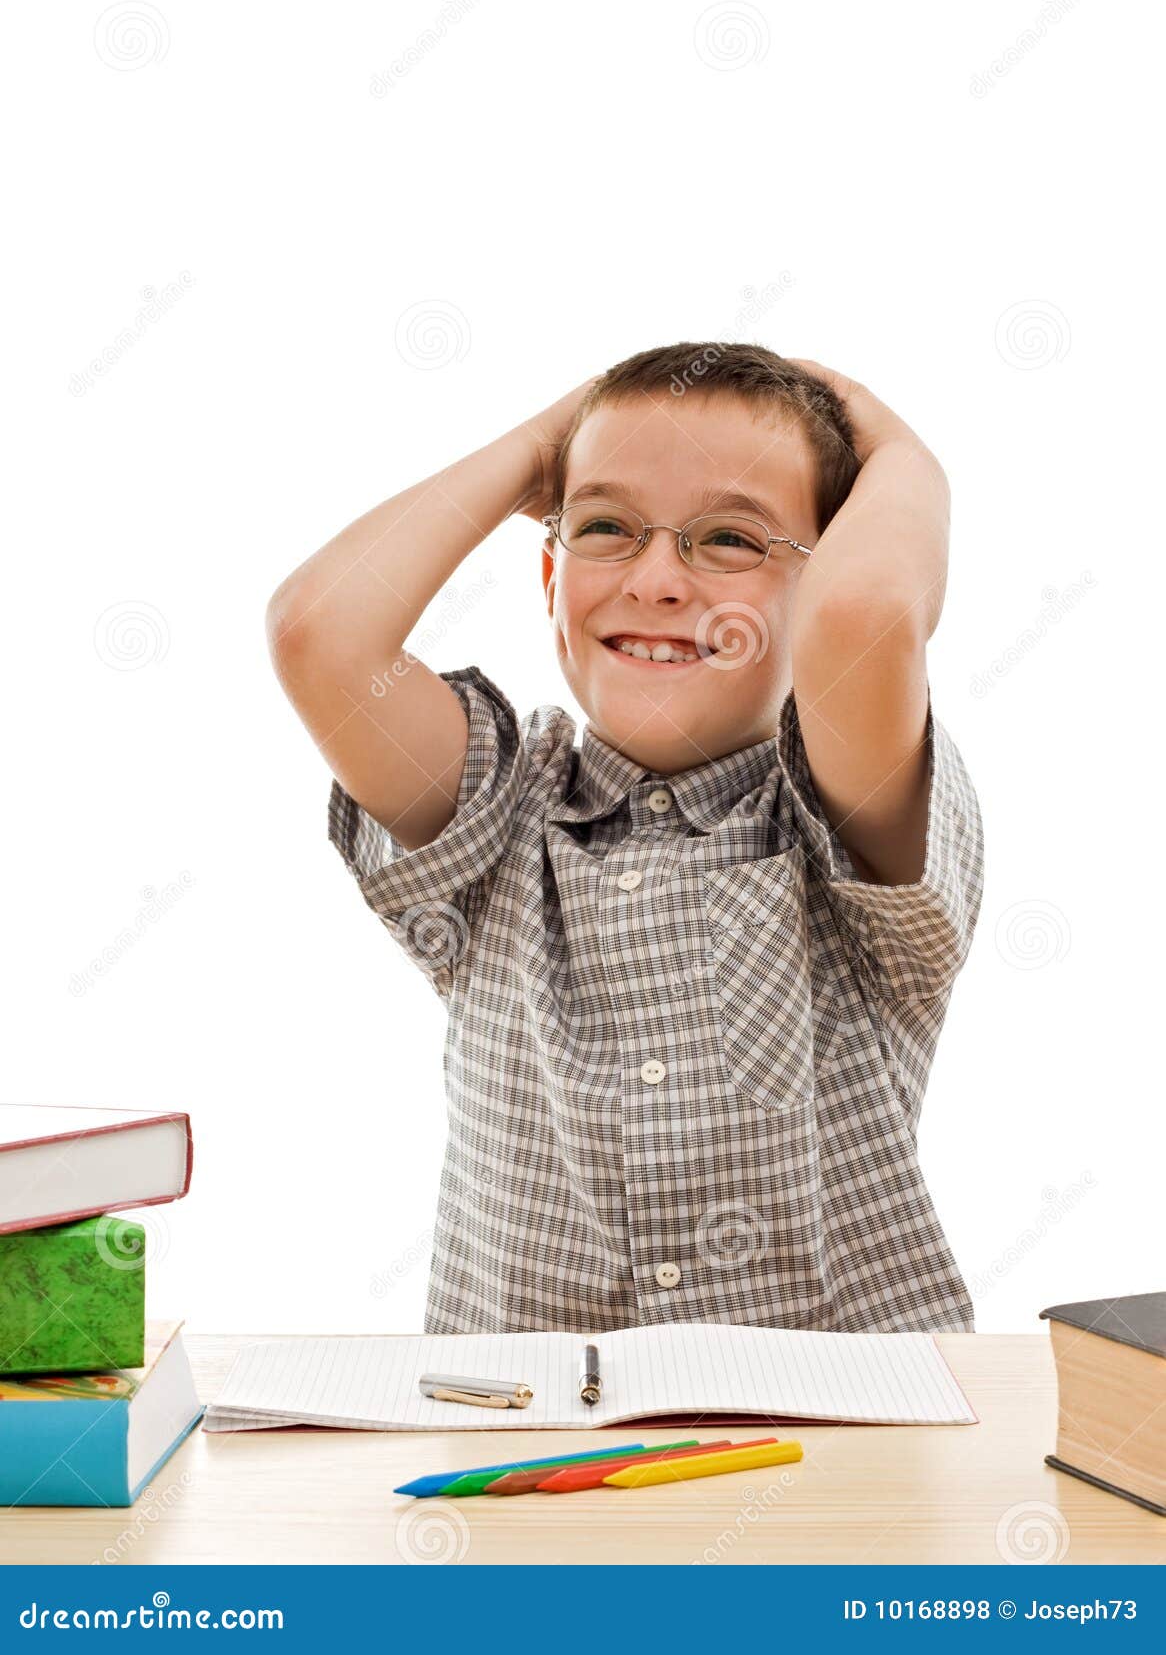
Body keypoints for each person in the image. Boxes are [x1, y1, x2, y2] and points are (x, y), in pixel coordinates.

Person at [266, 342, 984, 1335]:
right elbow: (320, 631)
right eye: (606, 527)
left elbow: (863, 614)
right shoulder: (494, 804)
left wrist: (903, 452)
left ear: (813, 578)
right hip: (532, 1444)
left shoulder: (854, 816)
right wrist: (535, 450)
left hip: (848, 1440)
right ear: (549, 570)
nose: (654, 581)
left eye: (729, 541)